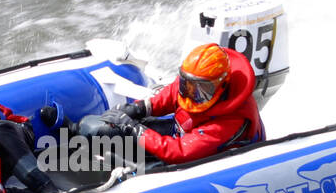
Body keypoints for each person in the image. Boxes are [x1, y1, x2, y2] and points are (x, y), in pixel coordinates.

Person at [108, 43, 265, 163]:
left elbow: (179, 152)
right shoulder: (194, 80)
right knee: (105, 132)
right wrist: (139, 108)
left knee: (139, 162)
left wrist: (134, 129)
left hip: (209, 158)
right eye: (187, 84)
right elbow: (173, 92)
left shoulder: (232, 120)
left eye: (201, 89)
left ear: (221, 86)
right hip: (183, 136)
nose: (191, 93)